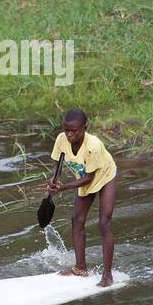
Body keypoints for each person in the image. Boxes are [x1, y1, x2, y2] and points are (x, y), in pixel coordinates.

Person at [47, 108, 118, 287]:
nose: (69, 134)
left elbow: (89, 178)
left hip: (105, 176)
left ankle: (107, 275)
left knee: (104, 222)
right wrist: (53, 178)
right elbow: (57, 163)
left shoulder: (93, 146)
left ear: (85, 128)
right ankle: (80, 268)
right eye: (66, 130)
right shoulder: (61, 140)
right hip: (84, 178)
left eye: (74, 131)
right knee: (77, 220)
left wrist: (62, 187)